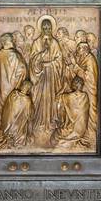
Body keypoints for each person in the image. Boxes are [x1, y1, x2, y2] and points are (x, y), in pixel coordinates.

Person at [29, 18, 66, 148]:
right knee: (39, 99)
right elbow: (32, 60)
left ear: (51, 29)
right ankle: (39, 121)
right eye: (44, 27)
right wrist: (42, 55)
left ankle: (50, 121)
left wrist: (50, 64)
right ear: (41, 29)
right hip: (39, 78)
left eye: (48, 28)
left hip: (51, 77)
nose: (46, 30)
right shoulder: (36, 43)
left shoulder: (55, 43)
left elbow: (59, 60)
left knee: (50, 99)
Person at [55, 75, 93, 151]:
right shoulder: (85, 96)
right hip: (82, 129)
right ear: (81, 85)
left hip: (72, 128)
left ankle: (69, 134)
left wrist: (62, 88)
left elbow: (57, 98)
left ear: (73, 85)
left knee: (57, 134)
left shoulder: (67, 96)